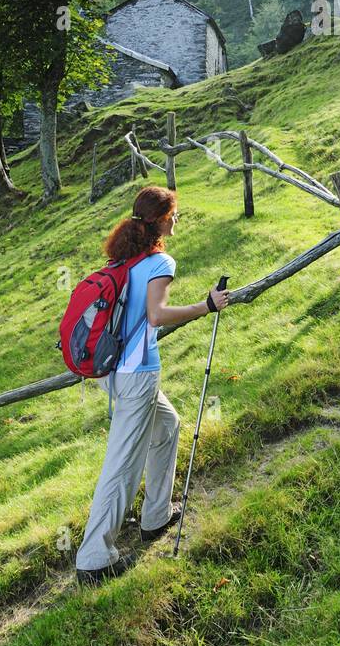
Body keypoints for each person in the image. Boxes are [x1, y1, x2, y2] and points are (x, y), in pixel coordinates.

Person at [75, 184, 229, 585]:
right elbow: (157, 316)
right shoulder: (159, 263)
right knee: (121, 466)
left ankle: (155, 517)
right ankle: (93, 560)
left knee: (168, 426)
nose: (177, 219)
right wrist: (206, 305)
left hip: (117, 375)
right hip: (138, 375)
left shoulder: (126, 260)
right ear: (160, 220)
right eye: (173, 213)